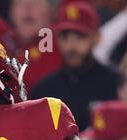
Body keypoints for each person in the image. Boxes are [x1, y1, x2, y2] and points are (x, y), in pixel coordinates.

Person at [29, 0, 120, 133]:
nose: (71, 46)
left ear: (96, 38)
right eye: (64, 36)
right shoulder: (44, 89)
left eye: (80, 36)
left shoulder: (114, 83)